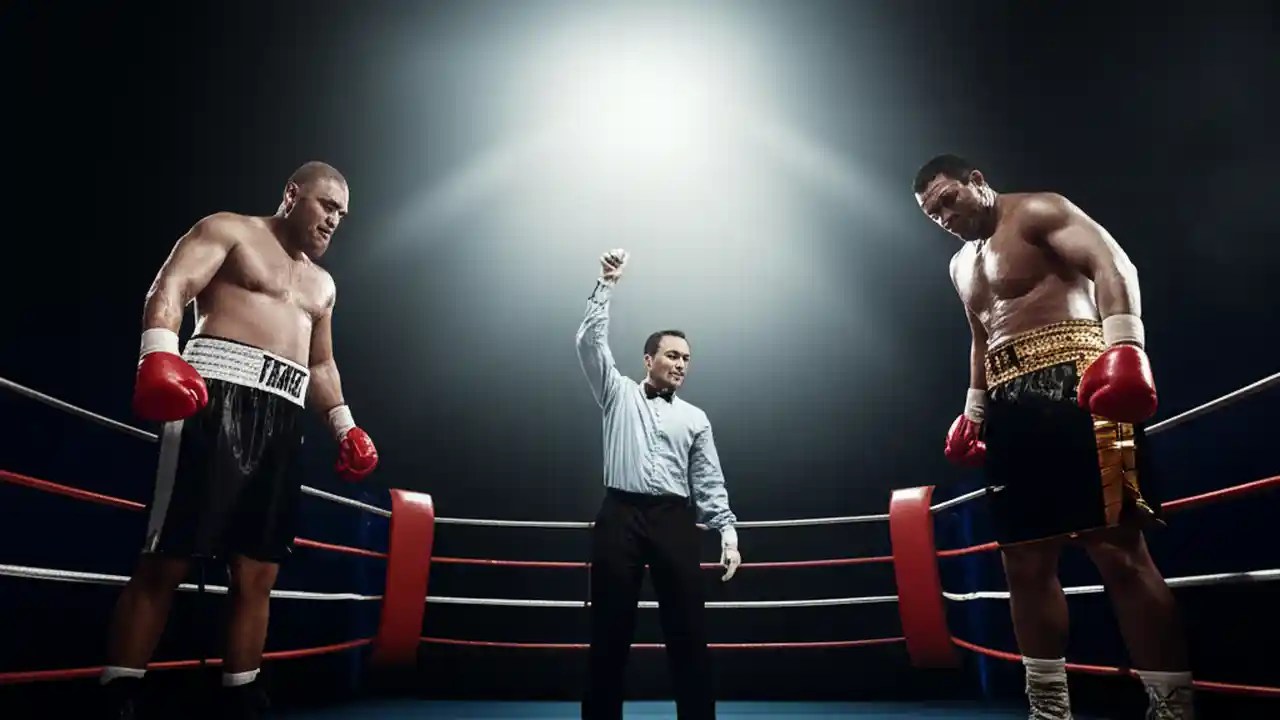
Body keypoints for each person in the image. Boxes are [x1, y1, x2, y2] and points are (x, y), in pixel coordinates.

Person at [913, 154, 1194, 719]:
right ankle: (1049, 709)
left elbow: (1114, 266)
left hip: (1085, 389)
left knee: (1119, 551)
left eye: (948, 199)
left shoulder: (1040, 210)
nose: (943, 215)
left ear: (977, 182)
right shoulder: (959, 265)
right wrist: (974, 410)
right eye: (931, 212)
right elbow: (980, 335)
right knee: (1022, 561)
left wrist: (1126, 348)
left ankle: (1172, 706)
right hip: (1011, 408)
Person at [100, 161, 380, 719]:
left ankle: (242, 692)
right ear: (292, 194)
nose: (333, 222)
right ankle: (118, 692)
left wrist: (345, 426)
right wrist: (158, 350)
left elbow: (321, 363)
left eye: (342, 216)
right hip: (212, 401)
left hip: (283, 417)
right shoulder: (229, 230)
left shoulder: (323, 285)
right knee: (168, 558)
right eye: (327, 206)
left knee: (259, 568)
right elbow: (172, 286)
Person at [574, 249, 742, 720]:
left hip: (674, 519)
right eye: (672, 355)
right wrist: (606, 284)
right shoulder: (617, 392)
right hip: (620, 514)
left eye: (687, 358)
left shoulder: (696, 417)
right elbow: (589, 342)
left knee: (688, 629)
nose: (681, 364)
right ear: (648, 359)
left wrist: (726, 531)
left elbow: (708, 481)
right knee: (609, 629)